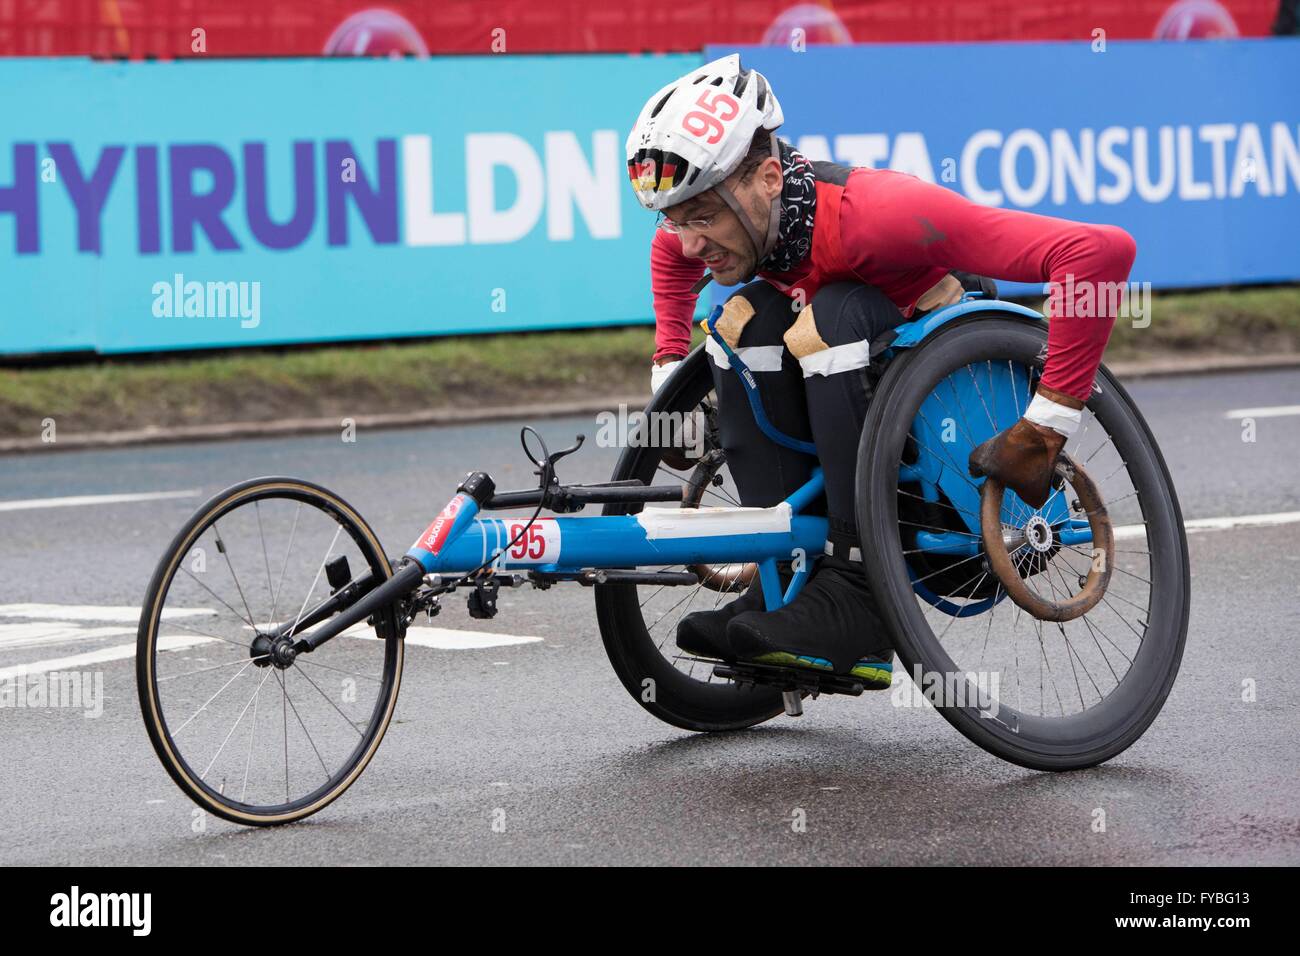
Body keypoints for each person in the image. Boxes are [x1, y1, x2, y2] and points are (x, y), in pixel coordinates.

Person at [627, 54, 1136, 687]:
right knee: (738, 324)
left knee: (830, 316)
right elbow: (672, 257)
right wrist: (668, 368)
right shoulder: (721, 225)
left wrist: (1046, 425)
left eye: (703, 218)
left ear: (764, 178)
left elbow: (1099, 252)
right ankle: (785, 576)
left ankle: (857, 591)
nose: (689, 241)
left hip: (944, 432)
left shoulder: (879, 213)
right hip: (853, 372)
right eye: (675, 218)